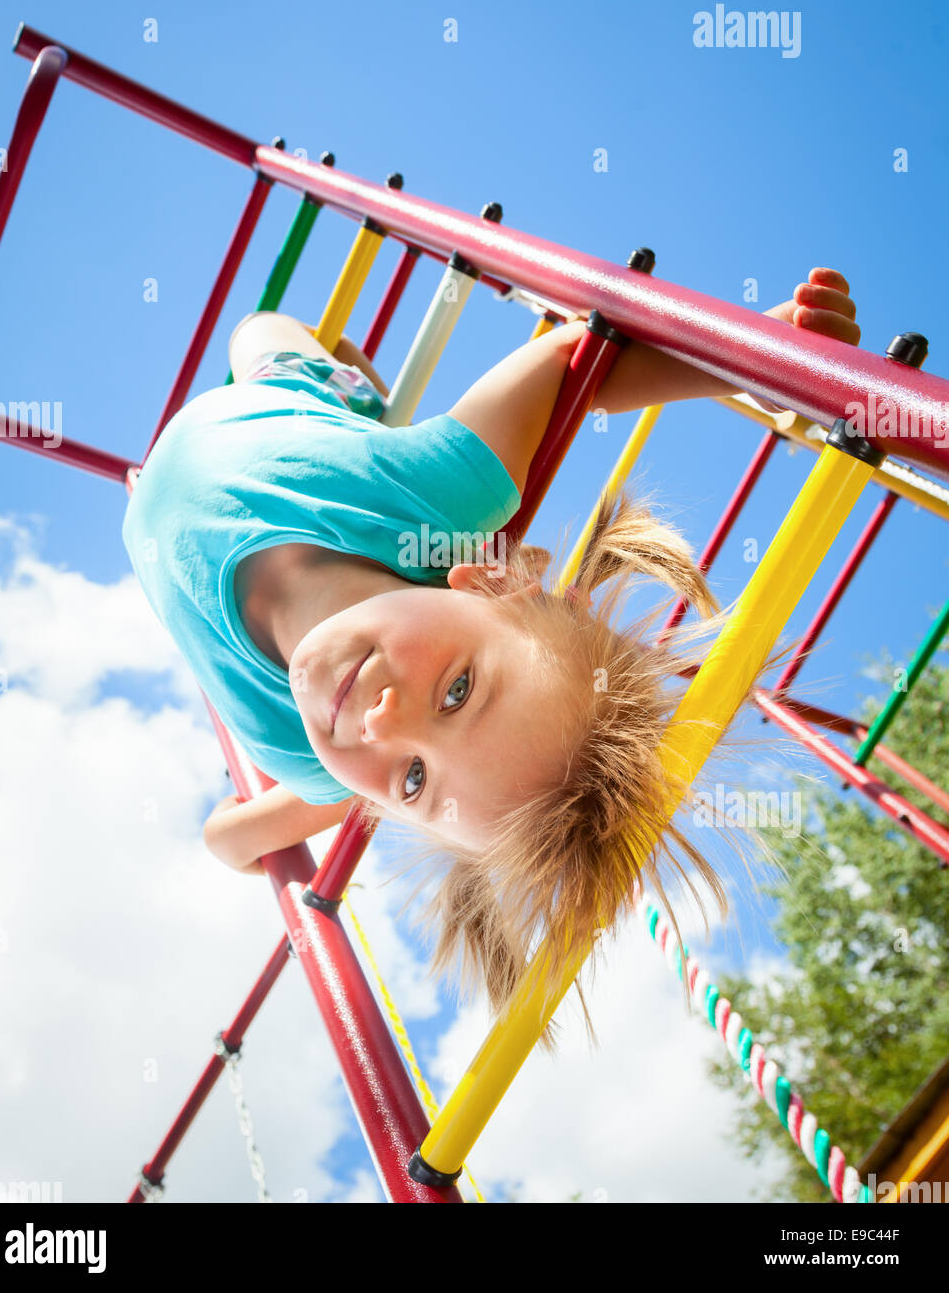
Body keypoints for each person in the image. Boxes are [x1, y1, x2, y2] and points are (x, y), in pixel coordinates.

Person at [122, 268, 860, 1048]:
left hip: (162, 488)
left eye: (414, 781)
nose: (384, 724)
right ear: (492, 580)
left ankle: (361, 396)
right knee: (258, 324)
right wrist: (758, 361)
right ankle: (351, 387)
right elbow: (576, 361)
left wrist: (232, 846)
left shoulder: (310, 762)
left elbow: (234, 834)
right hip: (275, 395)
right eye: (458, 691)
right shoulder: (430, 500)